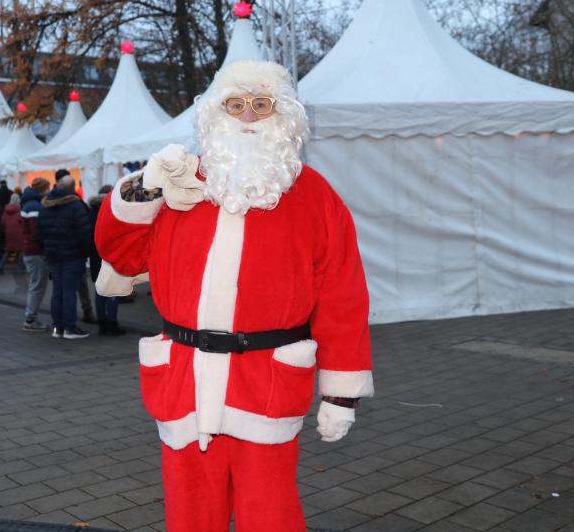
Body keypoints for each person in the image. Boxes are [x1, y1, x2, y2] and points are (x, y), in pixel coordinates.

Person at [94, 60, 373, 531]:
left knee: (270, 514)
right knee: (189, 514)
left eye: (260, 105)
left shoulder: (314, 196)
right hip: (184, 379)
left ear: (282, 116)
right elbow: (119, 254)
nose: (247, 116)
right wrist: (144, 189)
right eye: (235, 104)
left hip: (267, 382)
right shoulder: (180, 184)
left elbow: (342, 296)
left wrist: (340, 394)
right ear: (215, 115)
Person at [38, 174, 92, 340]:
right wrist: (86, 252)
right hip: (73, 255)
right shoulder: (76, 206)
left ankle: (58, 327)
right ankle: (69, 327)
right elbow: (85, 234)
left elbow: (39, 233)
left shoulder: (45, 206)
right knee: (69, 292)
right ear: (73, 189)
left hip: (54, 255)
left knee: (58, 292)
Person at [88, 184, 124, 336]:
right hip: (111, 257)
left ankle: (102, 323)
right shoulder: (113, 211)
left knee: (99, 292)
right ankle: (112, 322)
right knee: (113, 292)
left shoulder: (89, 212)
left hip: (95, 257)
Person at [19, 178, 51, 332]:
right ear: (42, 189)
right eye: (47, 187)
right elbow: (36, 231)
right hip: (35, 251)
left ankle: (31, 317)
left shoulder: (28, 203)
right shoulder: (34, 206)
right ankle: (30, 319)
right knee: (37, 286)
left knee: (35, 285)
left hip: (30, 250)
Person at [1, 193, 24, 272]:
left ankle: (1, 265)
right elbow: (23, 223)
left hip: (8, 234)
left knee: (8, 249)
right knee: (21, 249)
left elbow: (2, 222)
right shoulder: (19, 211)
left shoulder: (6, 211)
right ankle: (21, 268)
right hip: (19, 234)